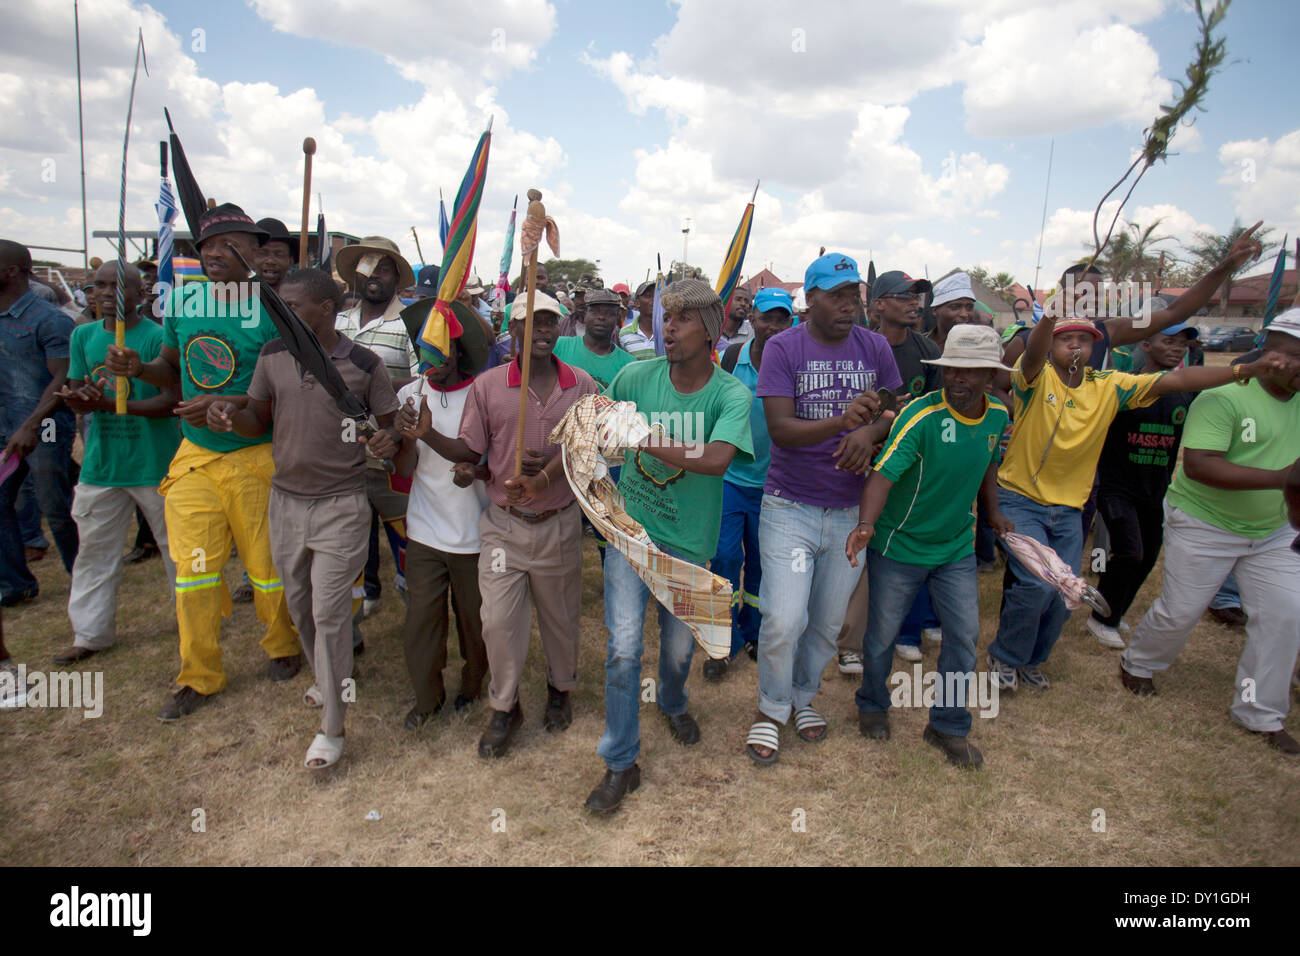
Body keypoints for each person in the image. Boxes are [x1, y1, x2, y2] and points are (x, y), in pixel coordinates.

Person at [987, 300, 1290, 693]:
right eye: (1066, 339)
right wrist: (1049, 317)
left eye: (1084, 339)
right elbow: (1030, 355)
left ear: (1096, 347)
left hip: (1070, 508)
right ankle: (1006, 657)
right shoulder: (1036, 377)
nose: (1076, 345)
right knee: (1036, 584)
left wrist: (1243, 370)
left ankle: (1032, 660)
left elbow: (1178, 382)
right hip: (1020, 501)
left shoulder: (1111, 385)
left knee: (1067, 594)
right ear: (1052, 345)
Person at [104, 204, 301, 721]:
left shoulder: (274, 309)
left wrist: (231, 408)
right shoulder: (184, 300)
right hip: (194, 457)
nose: (215, 253)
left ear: (256, 253)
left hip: (255, 456)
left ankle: (281, 644)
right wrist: (138, 367)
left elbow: (286, 397)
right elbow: (172, 370)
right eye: (206, 245)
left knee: (266, 569)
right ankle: (198, 674)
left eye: (230, 244)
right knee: (192, 572)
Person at [206, 268, 401, 768]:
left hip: (341, 505)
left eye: (290, 307)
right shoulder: (272, 356)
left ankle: (332, 729)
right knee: (299, 606)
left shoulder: (362, 363)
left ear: (327, 310)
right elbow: (256, 414)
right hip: (286, 502)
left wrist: (388, 440)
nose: (281, 317)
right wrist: (228, 413)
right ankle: (325, 678)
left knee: (329, 614)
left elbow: (391, 428)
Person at [398, 292, 598, 759]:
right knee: (499, 621)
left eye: (551, 322)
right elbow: (470, 452)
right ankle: (505, 708)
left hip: (559, 521)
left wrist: (549, 467)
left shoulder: (583, 384)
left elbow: (590, 452)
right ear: (514, 332)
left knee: (560, 617)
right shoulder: (488, 387)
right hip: (504, 525)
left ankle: (560, 689)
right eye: (533, 323)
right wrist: (427, 433)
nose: (544, 331)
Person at [584, 278, 754, 812]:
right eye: (666, 318)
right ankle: (620, 762)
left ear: (710, 331)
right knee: (624, 648)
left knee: (678, 651)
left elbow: (715, 460)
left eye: (681, 320)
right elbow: (598, 432)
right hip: (631, 536)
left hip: (688, 543)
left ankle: (674, 700)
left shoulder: (731, 394)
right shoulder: (636, 376)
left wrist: (643, 436)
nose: (668, 328)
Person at [744, 252, 901, 765]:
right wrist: (841, 423)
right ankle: (771, 707)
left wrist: (871, 430)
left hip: (849, 511)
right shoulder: (783, 347)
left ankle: (803, 697)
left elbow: (895, 409)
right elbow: (782, 430)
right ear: (809, 299)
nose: (848, 306)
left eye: (853, 295)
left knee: (827, 622)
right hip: (790, 506)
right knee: (784, 617)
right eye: (836, 296)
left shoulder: (875, 346)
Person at [1120, 310, 1300, 755]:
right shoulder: (1224, 396)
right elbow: (1200, 466)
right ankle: (1140, 662)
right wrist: (1283, 479)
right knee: (1181, 610)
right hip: (1204, 523)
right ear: (1273, 355)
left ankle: (1259, 712)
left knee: (1283, 616)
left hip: (1273, 529)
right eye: (1296, 356)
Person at [846, 325, 1014, 767]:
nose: (959, 379)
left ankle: (948, 725)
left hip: (955, 546)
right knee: (881, 636)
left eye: (971, 372)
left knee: (964, 636)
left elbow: (988, 465)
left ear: (990, 377)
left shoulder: (997, 415)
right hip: (900, 546)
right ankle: (872, 703)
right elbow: (882, 475)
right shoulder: (919, 416)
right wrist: (866, 526)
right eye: (952, 370)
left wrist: (993, 515)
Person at [52, 261, 180, 663]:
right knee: (94, 552)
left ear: (140, 294)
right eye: (100, 286)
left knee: (177, 551)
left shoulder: (159, 338)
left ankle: (192, 622)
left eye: (117, 286)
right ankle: (90, 634)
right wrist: (80, 398)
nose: (107, 293)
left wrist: (111, 404)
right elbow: (75, 388)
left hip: (154, 463)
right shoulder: (83, 335)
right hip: (101, 465)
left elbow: (170, 402)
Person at [391, 300, 494, 728]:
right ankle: (426, 698)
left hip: (476, 532)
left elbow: (493, 463)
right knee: (422, 619)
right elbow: (403, 470)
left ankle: (472, 685)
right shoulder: (409, 394)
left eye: (440, 348)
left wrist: (475, 472)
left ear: (457, 351)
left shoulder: (483, 394)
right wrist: (401, 439)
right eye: (424, 348)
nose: (430, 358)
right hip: (424, 530)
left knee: (474, 620)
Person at [1087, 324, 1200, 648]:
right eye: (1169, 341)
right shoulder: (1127, 388)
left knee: (1148, 556)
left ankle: (1116, 610)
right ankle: (1100, 618)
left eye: (1182, 345)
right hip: (1117, 486)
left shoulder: (1184, 393)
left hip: (1156, 488)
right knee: (1130, 552)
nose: (1177, 349)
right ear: (1147, 345)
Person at [707, 287, 793, 680]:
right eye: (766, 318)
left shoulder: (795, 363)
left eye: (782, 319)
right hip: (730, 478)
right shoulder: (730, 357)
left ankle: (753, 629)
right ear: (753, 319)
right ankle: (723, 637)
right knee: (724, 558)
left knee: (762, 562)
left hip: (775, 483)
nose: (774, 327)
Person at [336, 237, 418, 619]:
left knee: (408, 544)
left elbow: (424, 384)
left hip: (393, 458)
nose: (373, 275)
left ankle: (417, 615)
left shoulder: (410, 325)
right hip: (340, 460)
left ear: (396, 277)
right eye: (367, 267)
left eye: (383, 268)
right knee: (349, 545)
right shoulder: (336, 321)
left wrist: (379, 392)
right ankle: (359, 608)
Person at [0, 239, 78, 607]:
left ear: (12, 270)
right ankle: (15, 584)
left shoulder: (49, 320)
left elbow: (62, 378)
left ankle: (83, 576)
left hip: (43, 427)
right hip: (4, 428)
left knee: (55, 506)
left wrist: (30, 424)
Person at [552, 287, 635, 390]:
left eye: (609, 313)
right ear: (585, 314)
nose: (601, 317)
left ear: (617, 317)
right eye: (595, 312)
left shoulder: (628, 365)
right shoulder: (558, 346)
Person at [619, 280, 658, 359]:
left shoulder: (668, 332)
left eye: (657, 296)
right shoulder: (624, 334)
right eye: (648, 296)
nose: (654, 300)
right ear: (637, 303)